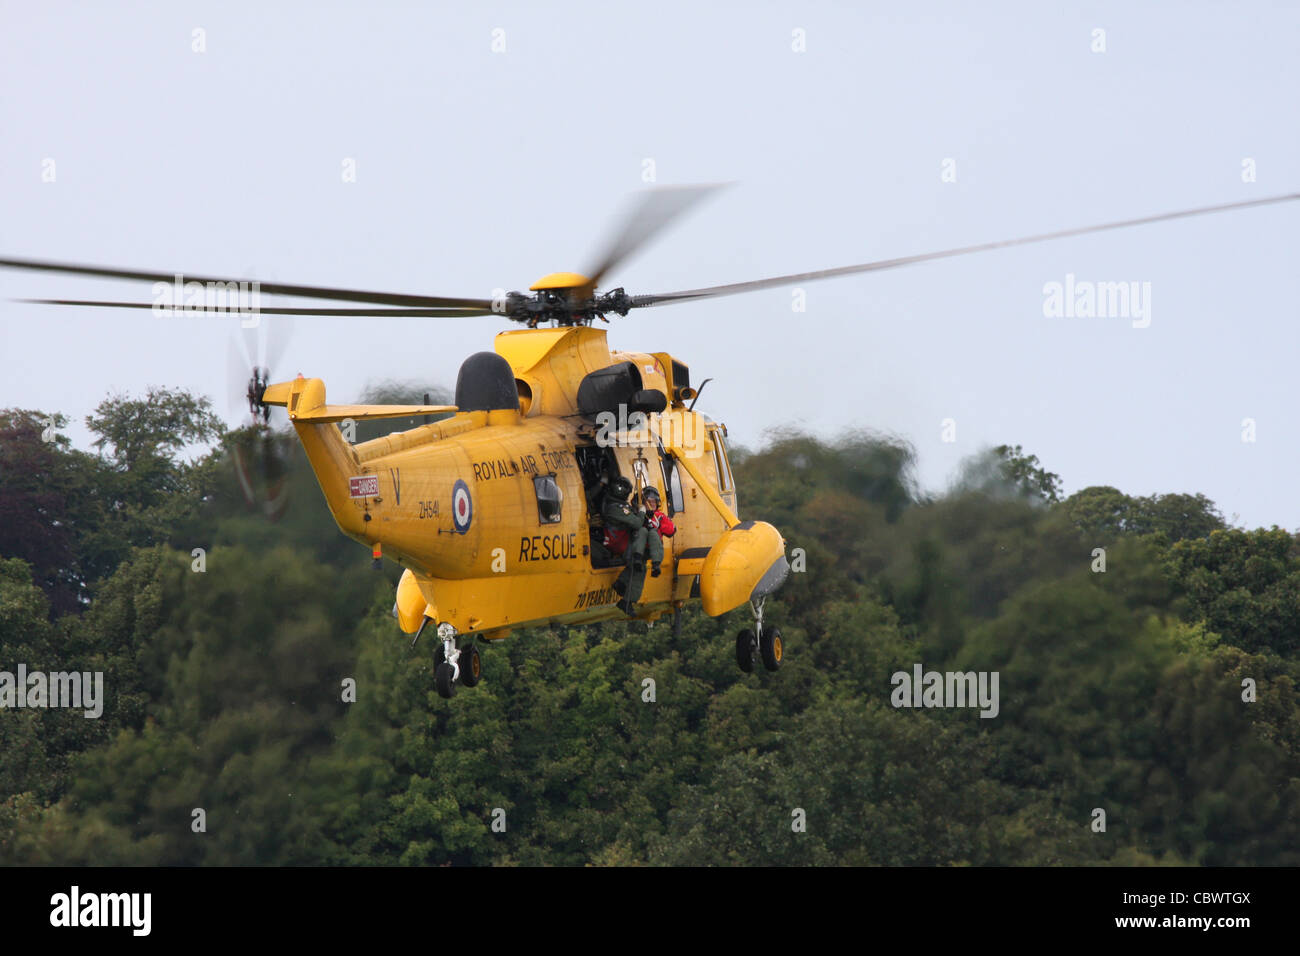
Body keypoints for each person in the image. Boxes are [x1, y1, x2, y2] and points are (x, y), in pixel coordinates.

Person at [601, 476, 648, 613]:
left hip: (620, 540)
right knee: (639, 565)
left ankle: (621, 583)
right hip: (618, 543)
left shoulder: (614, 505)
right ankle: (627, 601)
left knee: (640, 558)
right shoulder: (617, 508)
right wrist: (642, 512)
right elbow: (637, 523)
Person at [640, 486, 675, 578]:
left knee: (653, 534)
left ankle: (656, 565)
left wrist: (660, 525)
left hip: (653, 550)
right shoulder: (639, 515)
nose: (652, 504)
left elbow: (671, 530)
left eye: (654, 501)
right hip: (640, 549)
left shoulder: (659, 516)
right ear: (644, 503)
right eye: (649, 502)